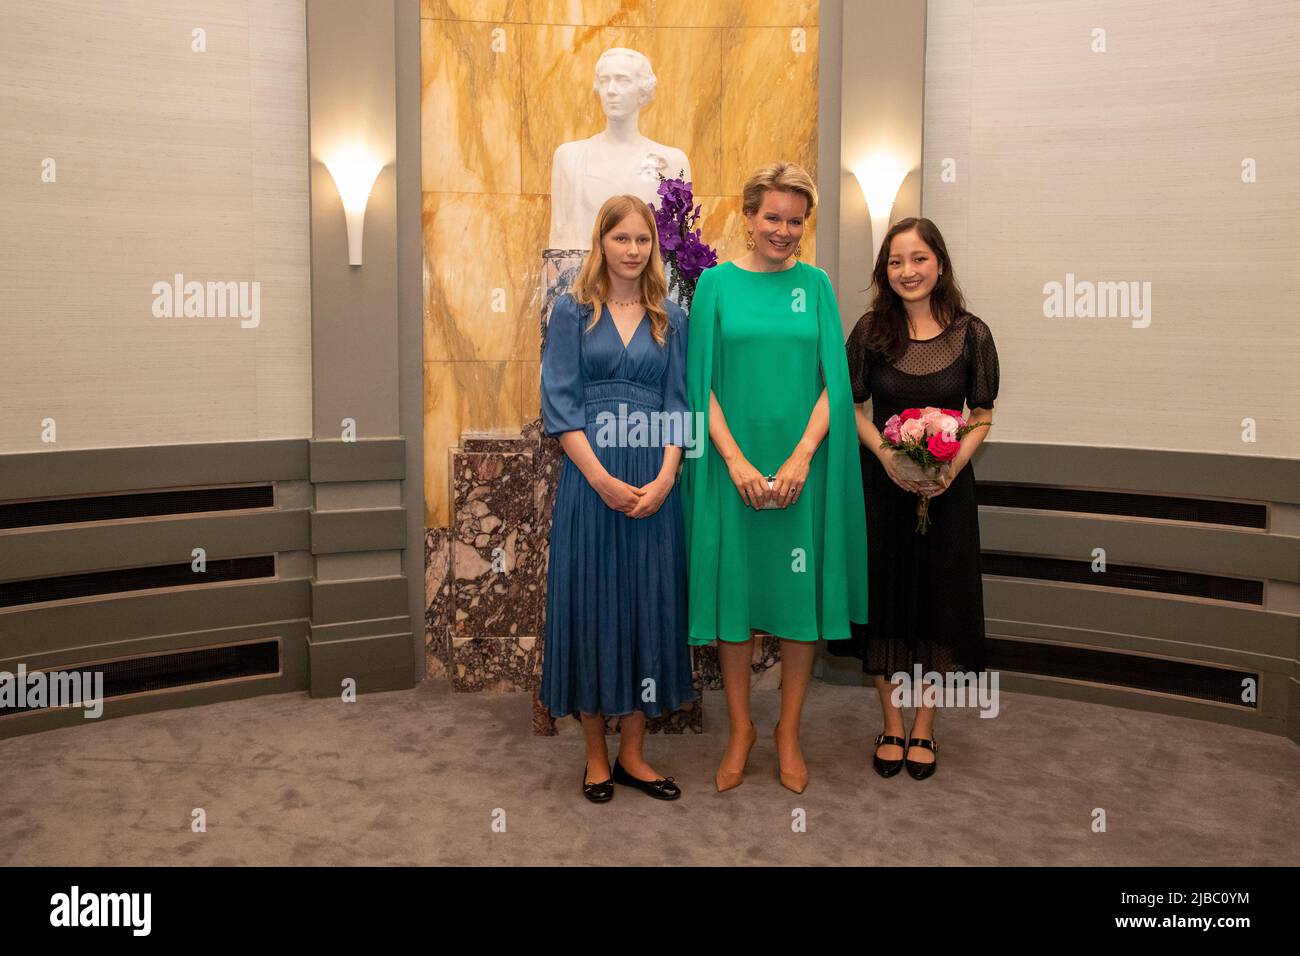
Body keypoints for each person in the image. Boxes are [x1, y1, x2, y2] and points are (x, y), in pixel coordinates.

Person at [683, 162, 868, 794]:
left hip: (800, 475)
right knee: (735, 602)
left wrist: (800, 458)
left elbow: (833, 387)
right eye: (772, 218)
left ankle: (788, 730)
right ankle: (741, 728)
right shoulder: (713, 285)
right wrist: (735, 463)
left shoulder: (815, 287)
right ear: (748, 215)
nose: (783, 231)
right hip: (731, 473)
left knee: (795, 606)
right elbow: (698, 386)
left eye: (795, 221)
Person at [539, 194, 697, 803]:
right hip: (589, 480)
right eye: (621, 238)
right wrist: (601, 478)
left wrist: (665, 480)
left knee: (647, 606)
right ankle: (596, 757)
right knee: (594, 604)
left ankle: (635, 753)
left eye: (642, 240)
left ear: (654, 247)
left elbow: (679, 407)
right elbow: (560, 405)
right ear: (600, 242)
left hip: (655, 484)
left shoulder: (670, 318)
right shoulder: (572, 312)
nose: (632, 250)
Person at [836, 217, 1000, 781]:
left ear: (939, 263)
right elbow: (852, 410)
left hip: (948, 493)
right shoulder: (869, 332)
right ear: (885, 270)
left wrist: (950, 465)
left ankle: (925, 724)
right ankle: (891, 721)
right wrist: (887, 455)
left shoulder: (972, 334)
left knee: (937, 603)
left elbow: (982, 414)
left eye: (919, 259)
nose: (908, 271)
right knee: (888, 603)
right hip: (883, 490)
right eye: (896, 262)